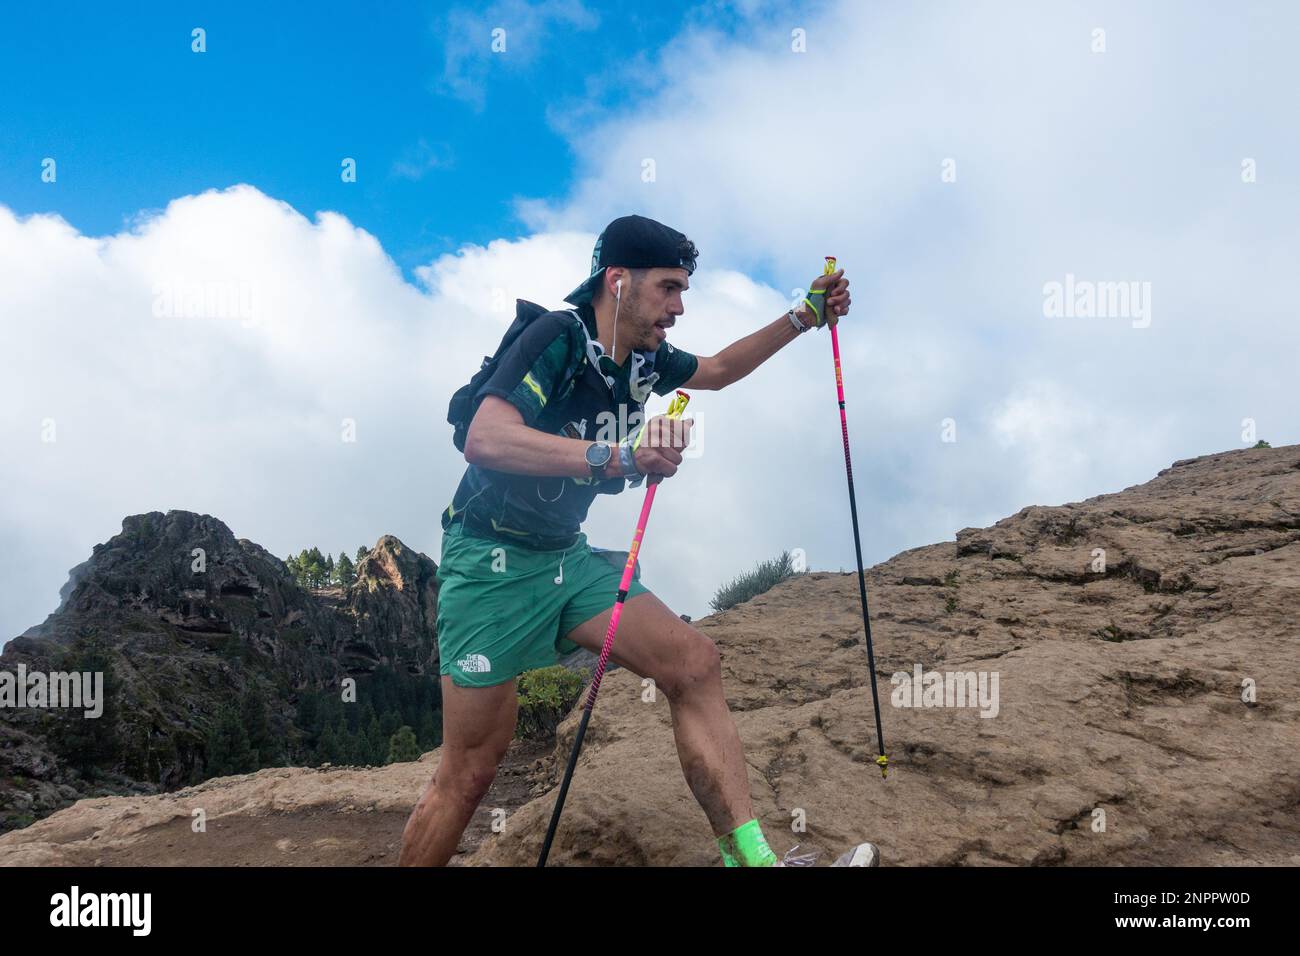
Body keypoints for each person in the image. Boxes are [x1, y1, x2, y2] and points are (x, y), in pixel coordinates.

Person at [399, 214, 869, 867]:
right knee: (472, 770)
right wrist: (619, 457)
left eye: (682, 291)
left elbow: (721, 368)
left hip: (565, 558)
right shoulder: (554, 338)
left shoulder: (644, 357)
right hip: (489, 565)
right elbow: (487, 437)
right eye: (668, 289)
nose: (678, 307)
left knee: (694, 665)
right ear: (618, 282)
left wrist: (805, 316)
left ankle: (752, 861)